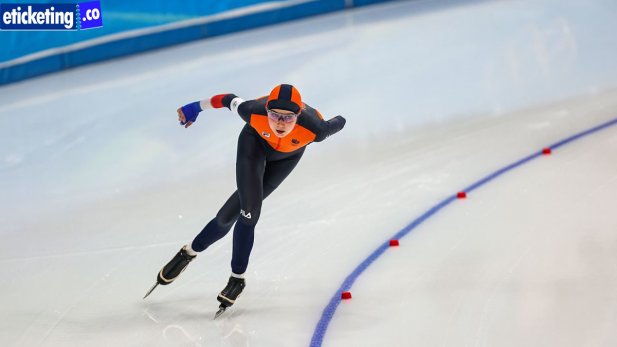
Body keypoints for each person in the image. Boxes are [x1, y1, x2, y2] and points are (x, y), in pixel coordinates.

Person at [148, 84, 346, 312]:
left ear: (298, 115)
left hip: (285, 160)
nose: (280, 123)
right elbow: (227, 99)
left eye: (288, 118)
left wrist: (337, 122)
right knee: (244, 213)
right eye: (274, 115)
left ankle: (215, 266)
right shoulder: (253, 111)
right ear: (267, 111)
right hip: (253, 146)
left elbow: (340, 121)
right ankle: (210, 264)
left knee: (235, 216)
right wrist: (196, 107)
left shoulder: (316, 129)